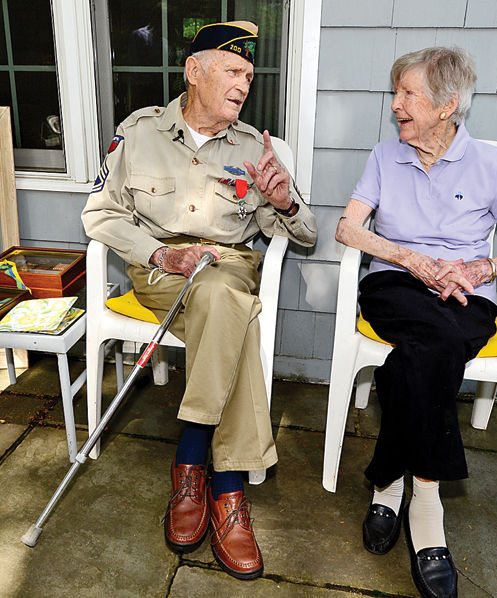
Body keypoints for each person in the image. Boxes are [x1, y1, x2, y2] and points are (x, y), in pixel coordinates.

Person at [82, 21, 316, 580]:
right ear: (195, 71)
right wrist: (162, 256)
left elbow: (305, 235)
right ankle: (230, 493)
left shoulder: (257, 148)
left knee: (223, 295)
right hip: (163, 272)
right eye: (233, 72)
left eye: (249, 76)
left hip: (227, 266)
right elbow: (99, 215)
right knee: (237, 316)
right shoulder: (138, 134)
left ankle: (192, 464)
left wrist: (282, 202)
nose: (244, 85)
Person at [335, 47, 497, 598]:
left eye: (408, 94)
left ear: (447, 105)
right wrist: (410, 259)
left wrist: (487, 264)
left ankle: (390, 481)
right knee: (435, 342)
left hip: (466, 292)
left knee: (414, 358)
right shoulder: (386, 156)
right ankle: (429, 507)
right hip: (397, 284)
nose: (396, 106)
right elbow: (347, 229)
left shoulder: (487, 164)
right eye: (397, 93)